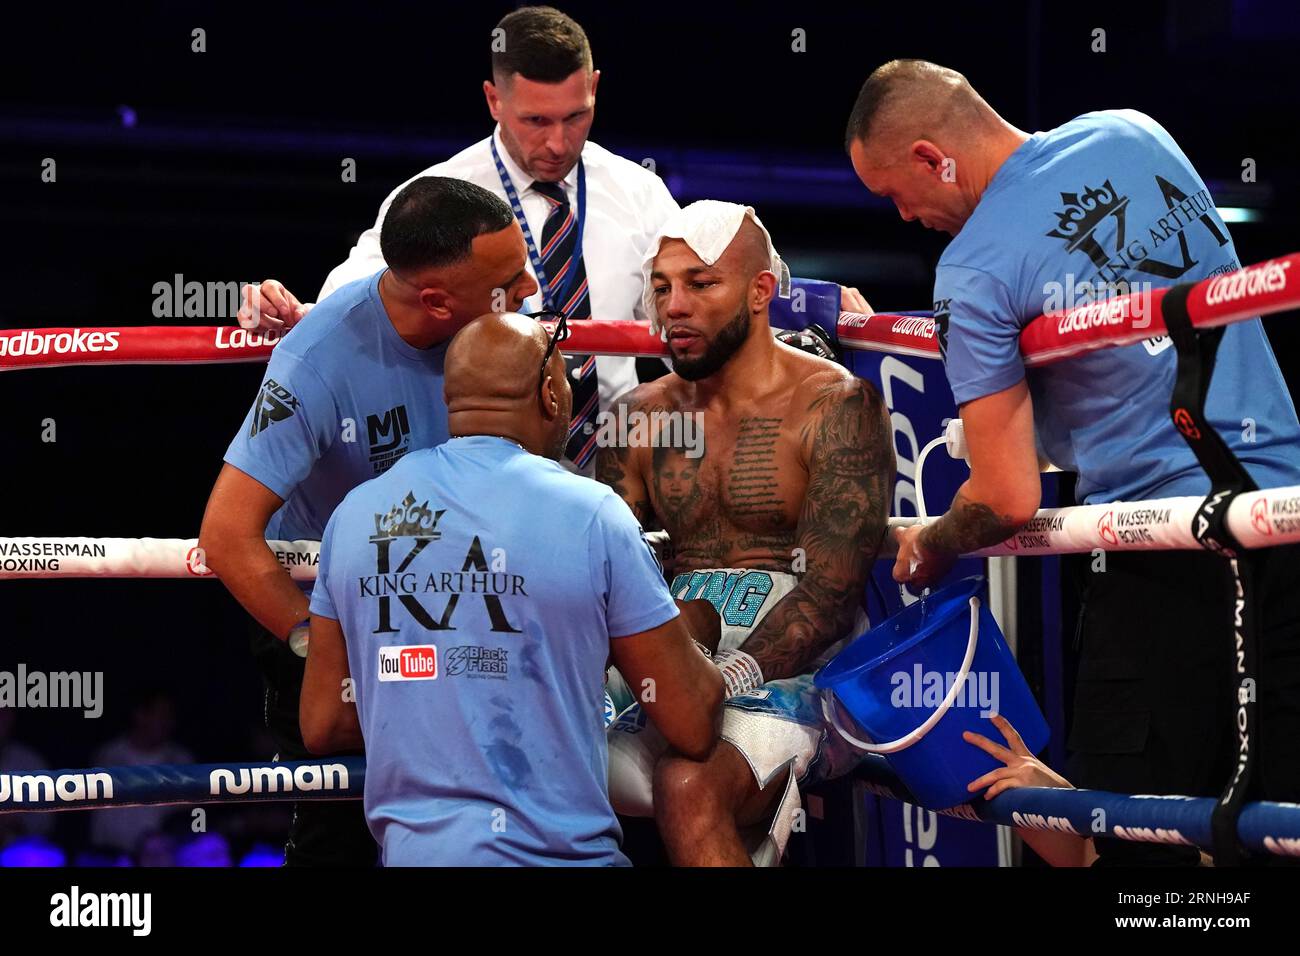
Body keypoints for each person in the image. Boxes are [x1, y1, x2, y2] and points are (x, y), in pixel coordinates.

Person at [845, 59, 1300, 865]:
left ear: (928, 156)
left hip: (1166, 549)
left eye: (895, 193)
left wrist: (937, 540)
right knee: (1271, 823)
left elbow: (1009, 496)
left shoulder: (975, 268)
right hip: (1283, 512)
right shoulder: (1135, 131)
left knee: (1139, 843)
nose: (906, 216)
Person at [237, 6, 871, 473]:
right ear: (493, 99)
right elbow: (361, 291)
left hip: (624, 467)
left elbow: (714, 278)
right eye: (535, 120)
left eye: (575, 117)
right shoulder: (441, 192)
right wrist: (289, 313)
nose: (557, 142)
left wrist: (811, 300)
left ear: (593, 88)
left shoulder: (637, 190)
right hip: (485, 464)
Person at [299, 313, 723, 865]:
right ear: (550, 393)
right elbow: (692, 722)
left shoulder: (355, 516)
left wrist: (441, 695)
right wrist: (703, 642)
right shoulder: (593, 514)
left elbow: (324, 719)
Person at [199, 176, 537, 866]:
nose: (530, 288)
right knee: (346, 823)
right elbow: (227, 533)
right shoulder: (316, 362)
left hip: (469, 600)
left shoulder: (504, 331)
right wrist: (312, 641)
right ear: (437, 300)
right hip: (347, 612)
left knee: (491, 804)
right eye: (508, 280)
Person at [599, 200, 895, 866]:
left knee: (688, 783)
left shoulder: (834, 404)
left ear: (761, 291)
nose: (674, 305)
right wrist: (664, 673)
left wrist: (721, 679)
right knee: (531, 748)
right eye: (663, 286)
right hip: (673, 648)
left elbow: (829, 596)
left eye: (701, 284)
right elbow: (609, 577)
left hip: (805, 672)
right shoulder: (638, 415)